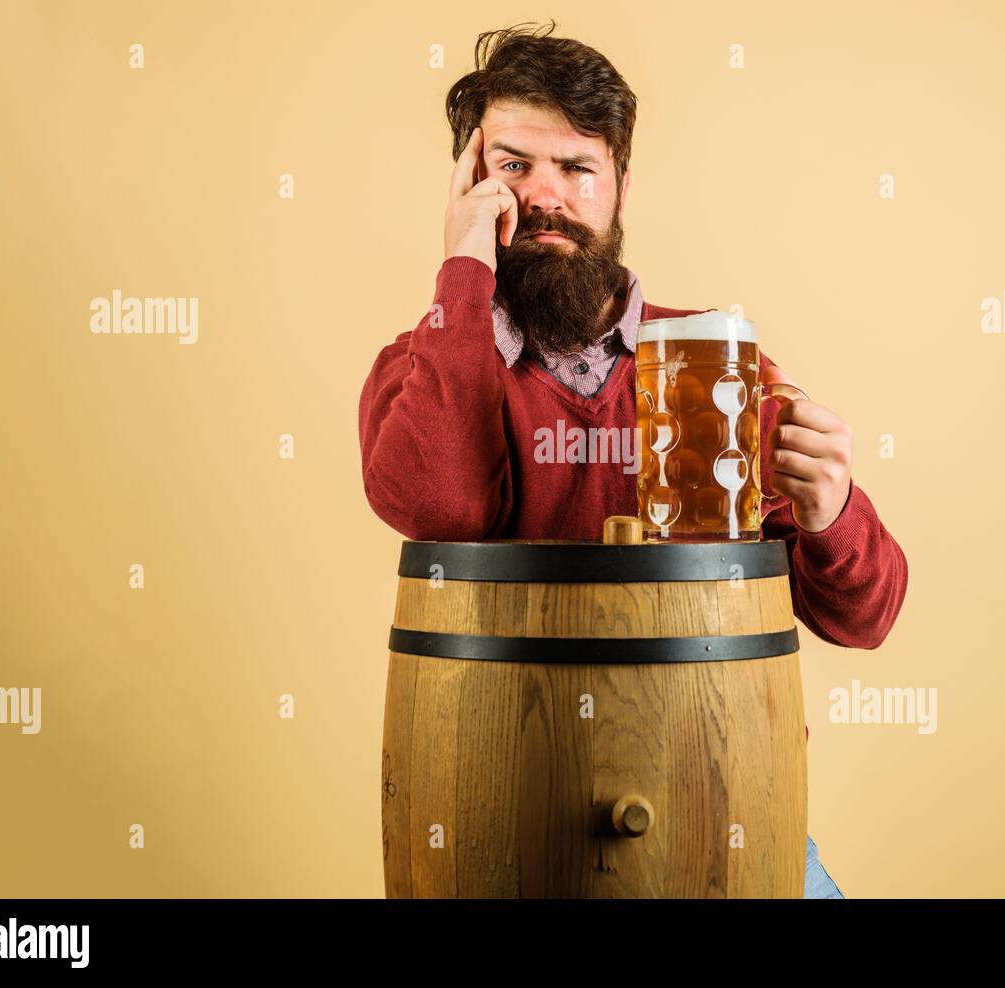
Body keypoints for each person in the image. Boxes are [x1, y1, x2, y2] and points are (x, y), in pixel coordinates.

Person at [358, 21, 908, 899]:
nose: (545, 196)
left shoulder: (713, 367)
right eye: (511, 167)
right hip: (502, 829)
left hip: (722, 809)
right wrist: (463, 264)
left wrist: (830, 508)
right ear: (467, 181)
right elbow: (441, 508)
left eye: (578, 168)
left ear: (619, 186)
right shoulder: (423, 366)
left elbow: (864, 615)